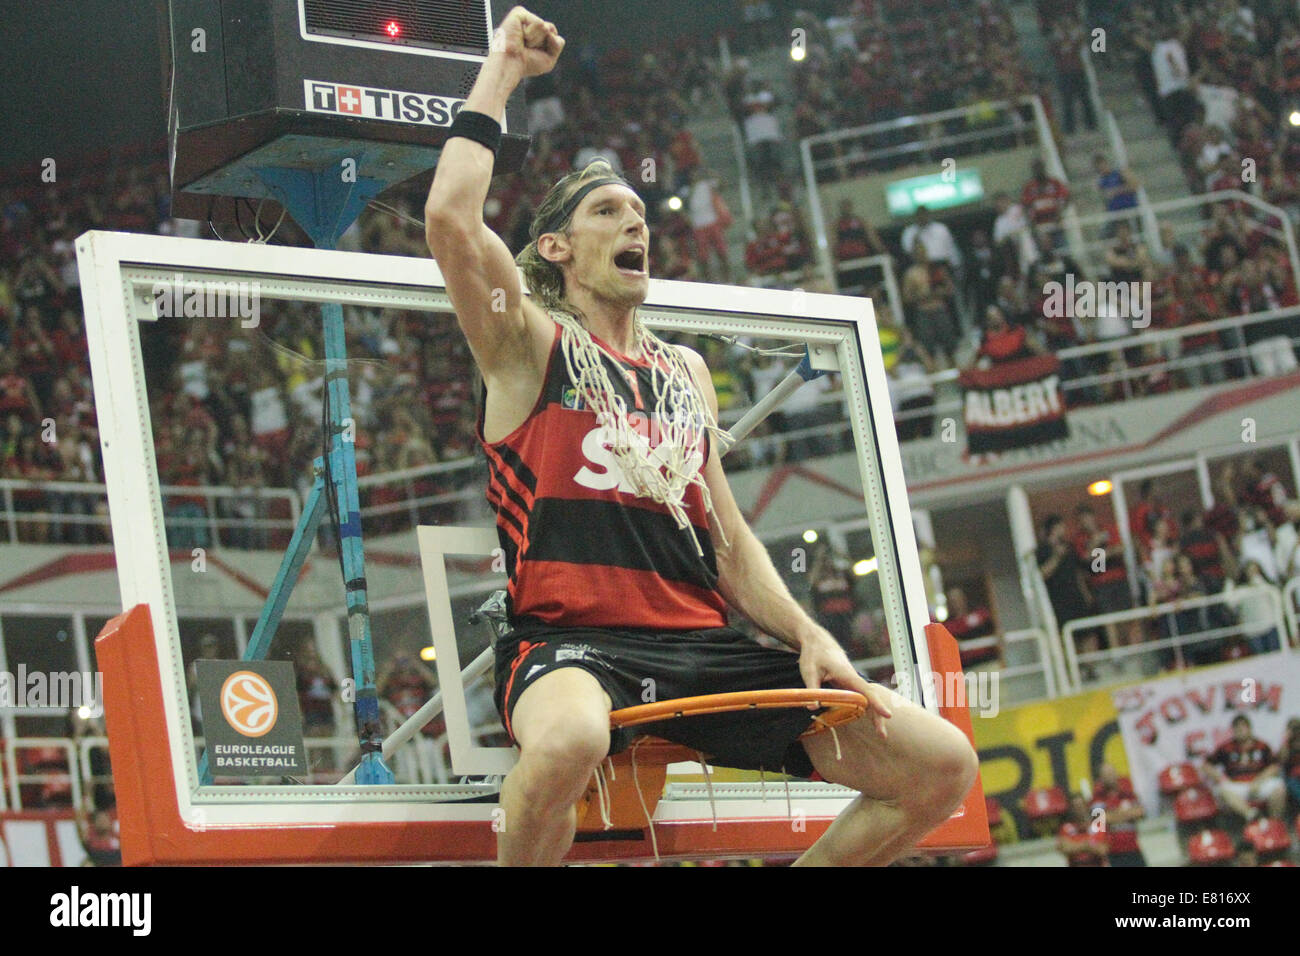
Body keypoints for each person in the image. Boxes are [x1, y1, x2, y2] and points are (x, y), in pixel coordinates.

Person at [423, 6, 977, 868]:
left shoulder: (682, 371)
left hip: (700, 646)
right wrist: (501, 68)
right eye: (609, 212)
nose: (636, 223)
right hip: (571, 647)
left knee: (943, 766)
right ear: (558, 247)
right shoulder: (527, 343)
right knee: (569, 742)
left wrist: (807, 636)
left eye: (641, 211)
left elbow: (728, 540)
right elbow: (452, 221)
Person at [1204, 714, 1287, 821]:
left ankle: (1275, 823)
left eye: (1243, 727)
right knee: (1222, 790)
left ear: (1249, 728)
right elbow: (1205, 765)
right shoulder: (1226, 748)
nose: (1240, 730)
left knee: (1279, 788)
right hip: (1237, 786)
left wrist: (1259, 781)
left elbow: (1274, 766)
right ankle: (1252, 815)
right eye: (1236, 728)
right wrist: (1220, 778)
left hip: (1258, 784)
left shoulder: (1262, 745)